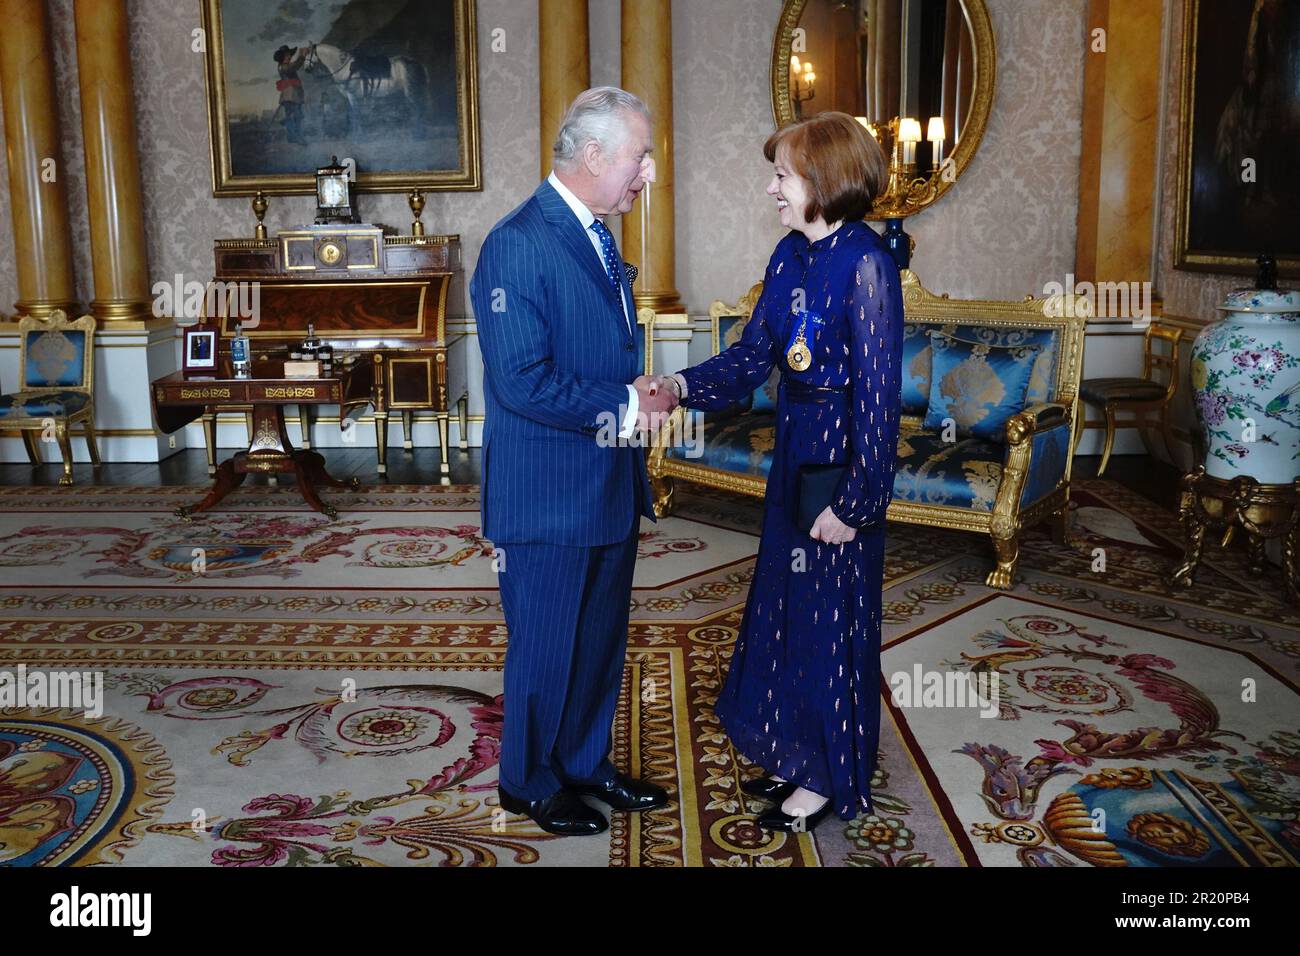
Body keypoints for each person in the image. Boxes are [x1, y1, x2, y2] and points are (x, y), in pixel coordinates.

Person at [653, 111, 902, 831]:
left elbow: (880, 402)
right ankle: (798, 755)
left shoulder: (867, 261)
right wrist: (676, 388)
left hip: (839, 468)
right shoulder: (789, 256)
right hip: (794, 453)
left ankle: (828, 776)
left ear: (825, 180)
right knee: (789, 612)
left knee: (832, 621)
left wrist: (855, 504)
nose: (772, 189)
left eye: (782, 175)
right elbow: (748, 357)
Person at [469, 87, 676, 836]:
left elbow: (603, 347)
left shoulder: (596, 233)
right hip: (548, 493)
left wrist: (636, 394)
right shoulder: (517, 243)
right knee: (546, 645)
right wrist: (627, 405)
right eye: (639, 156)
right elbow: (521, 380)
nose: (647, 172)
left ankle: (585, 763)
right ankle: (528, 782)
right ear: (593, 156)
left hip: (607, 485)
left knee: (597, 643)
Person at [273, 45, 308, 145]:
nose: (289, 57)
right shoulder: (283, 66)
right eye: (287, 55)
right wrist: (302, 55)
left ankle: (292, 137)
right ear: (282, 57)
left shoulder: (285, 65)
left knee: (295, 116)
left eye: (289, 55)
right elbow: (295, 66)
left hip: (294, 94)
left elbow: (294, 65)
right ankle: (296, 137)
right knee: (295, 116)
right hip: (290, 95)